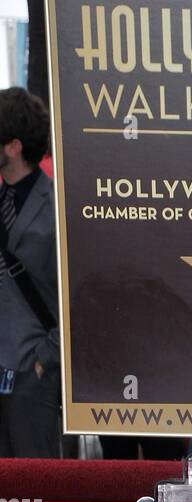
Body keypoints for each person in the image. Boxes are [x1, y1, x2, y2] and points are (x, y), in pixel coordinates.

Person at [0, 87, 61, 459]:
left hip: (32, 374)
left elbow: (76, 295)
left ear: (13, 147)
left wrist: (45, 359)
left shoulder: (56, 204)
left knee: (36, 498)